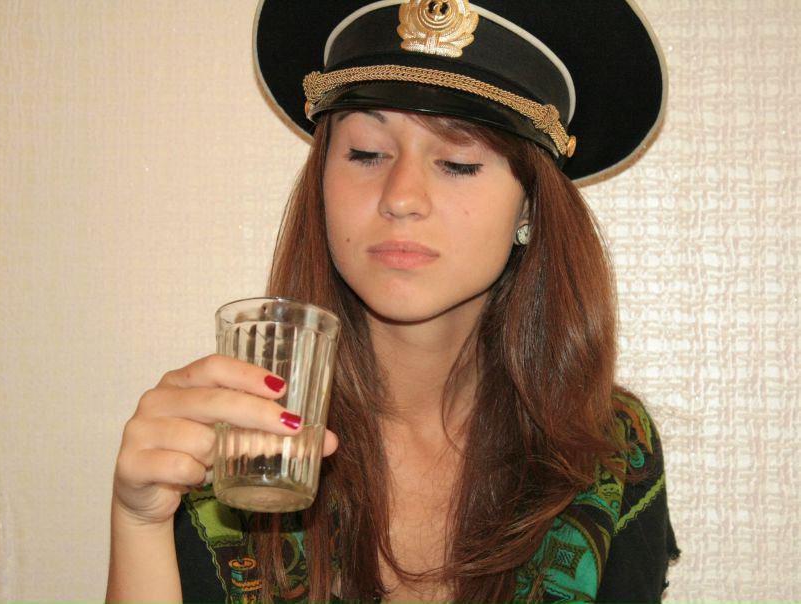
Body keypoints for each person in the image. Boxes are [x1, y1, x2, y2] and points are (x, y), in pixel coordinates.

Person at [105, 1, 680, 602]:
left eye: (458, 161)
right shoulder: (232, 437)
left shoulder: (609, 451)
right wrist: (139, 521)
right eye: (366, 153)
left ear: (529, 206)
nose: (401, 197)